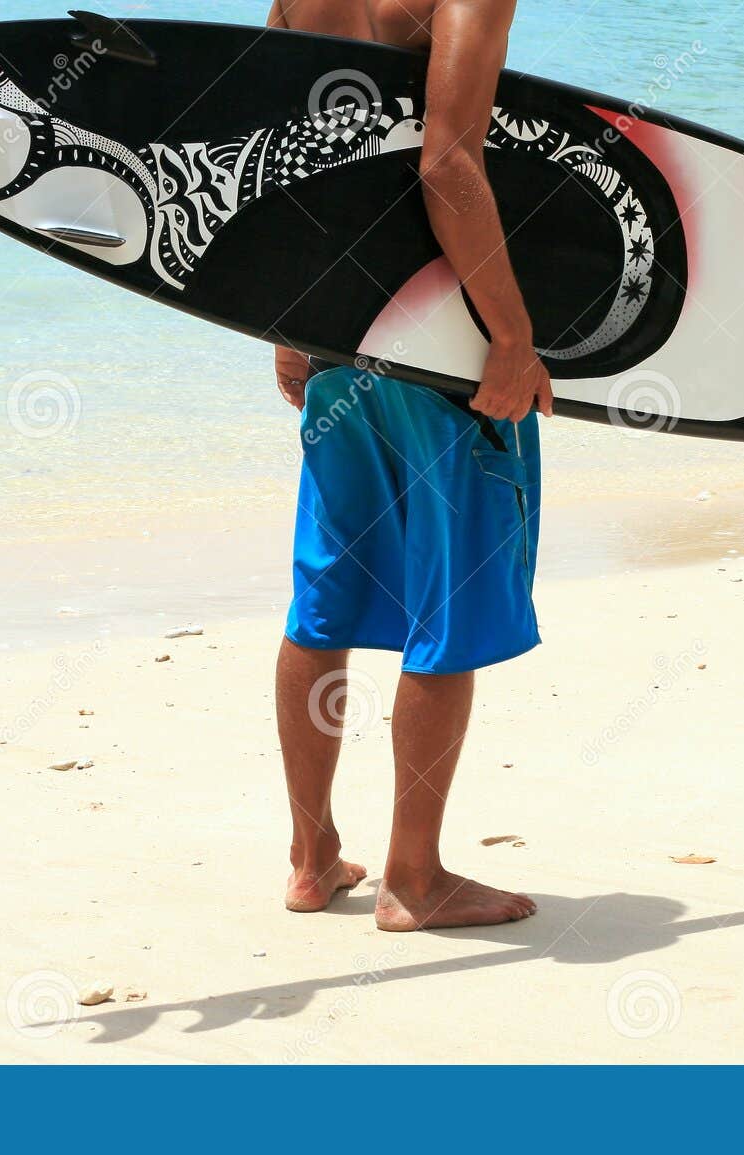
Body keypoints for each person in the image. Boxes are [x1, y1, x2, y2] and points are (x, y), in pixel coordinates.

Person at [266, 0, 554, 931]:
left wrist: (280, 321)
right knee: (451, 601)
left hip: (339, 325)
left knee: (327, 597)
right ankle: (413, 878)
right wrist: (511, 334)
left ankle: (313, 860)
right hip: (439, 333)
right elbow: (448, 161)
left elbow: (268, 147)